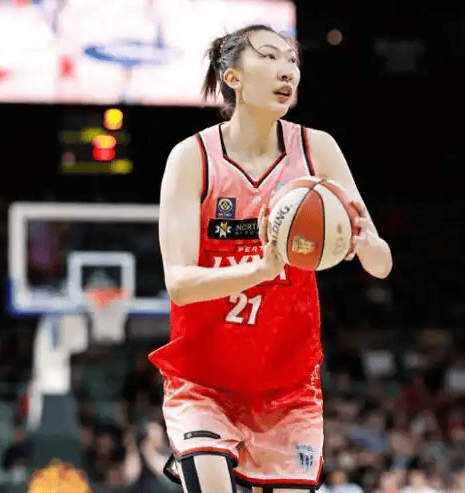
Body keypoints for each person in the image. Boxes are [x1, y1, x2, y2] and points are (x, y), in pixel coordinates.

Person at [148, 23, 392, 493]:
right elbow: (178, 283)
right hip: (204, 380)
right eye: (270, 57)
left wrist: (364, 241)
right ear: (232, 77)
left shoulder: (317, 149)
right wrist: (260, 269)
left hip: (287, 386)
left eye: (292, 61)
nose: (287, 71)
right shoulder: (192, 157)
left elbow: (381, 264)